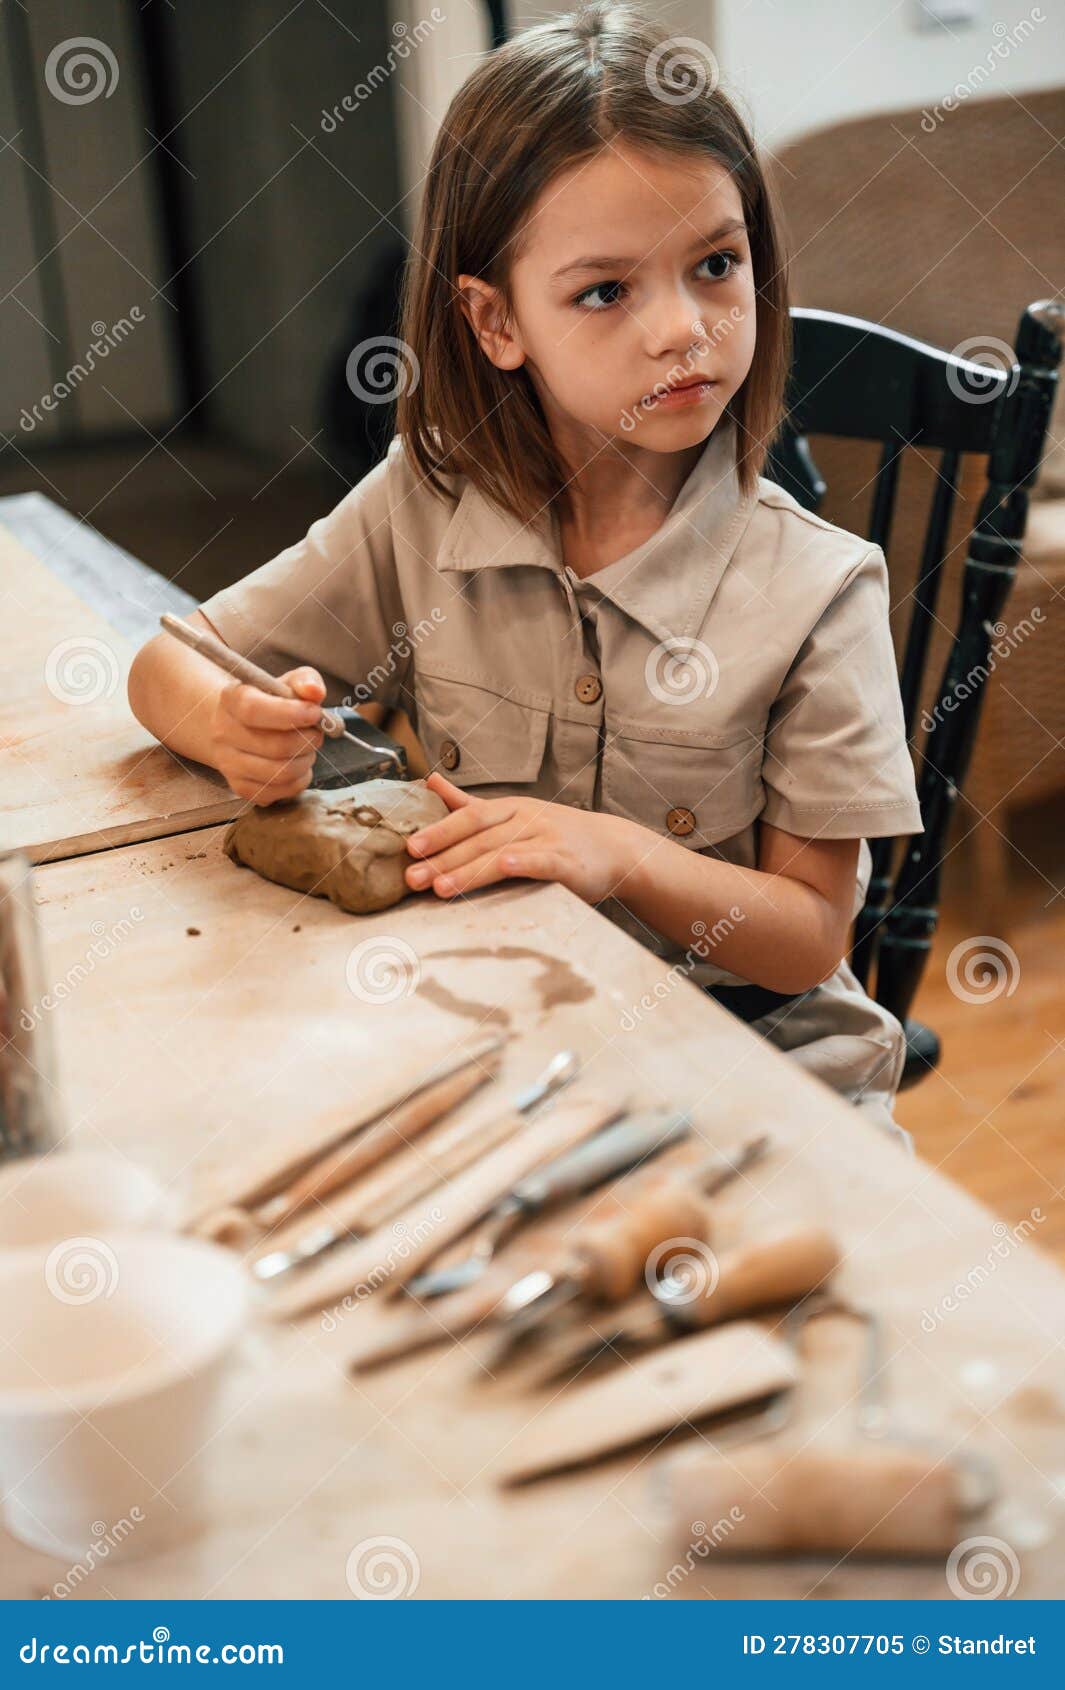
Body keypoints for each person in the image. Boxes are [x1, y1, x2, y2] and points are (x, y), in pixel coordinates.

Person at [128, 2, 923, 1149]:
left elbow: (807, 939)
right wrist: (229, 722)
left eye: (716, 265)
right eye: (607, 291)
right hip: (508, 1033)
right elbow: (165, 667)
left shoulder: (818, 588)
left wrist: (621, 854)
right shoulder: (425, 505)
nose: (684, 329)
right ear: (496, 321)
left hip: (760, 1064)